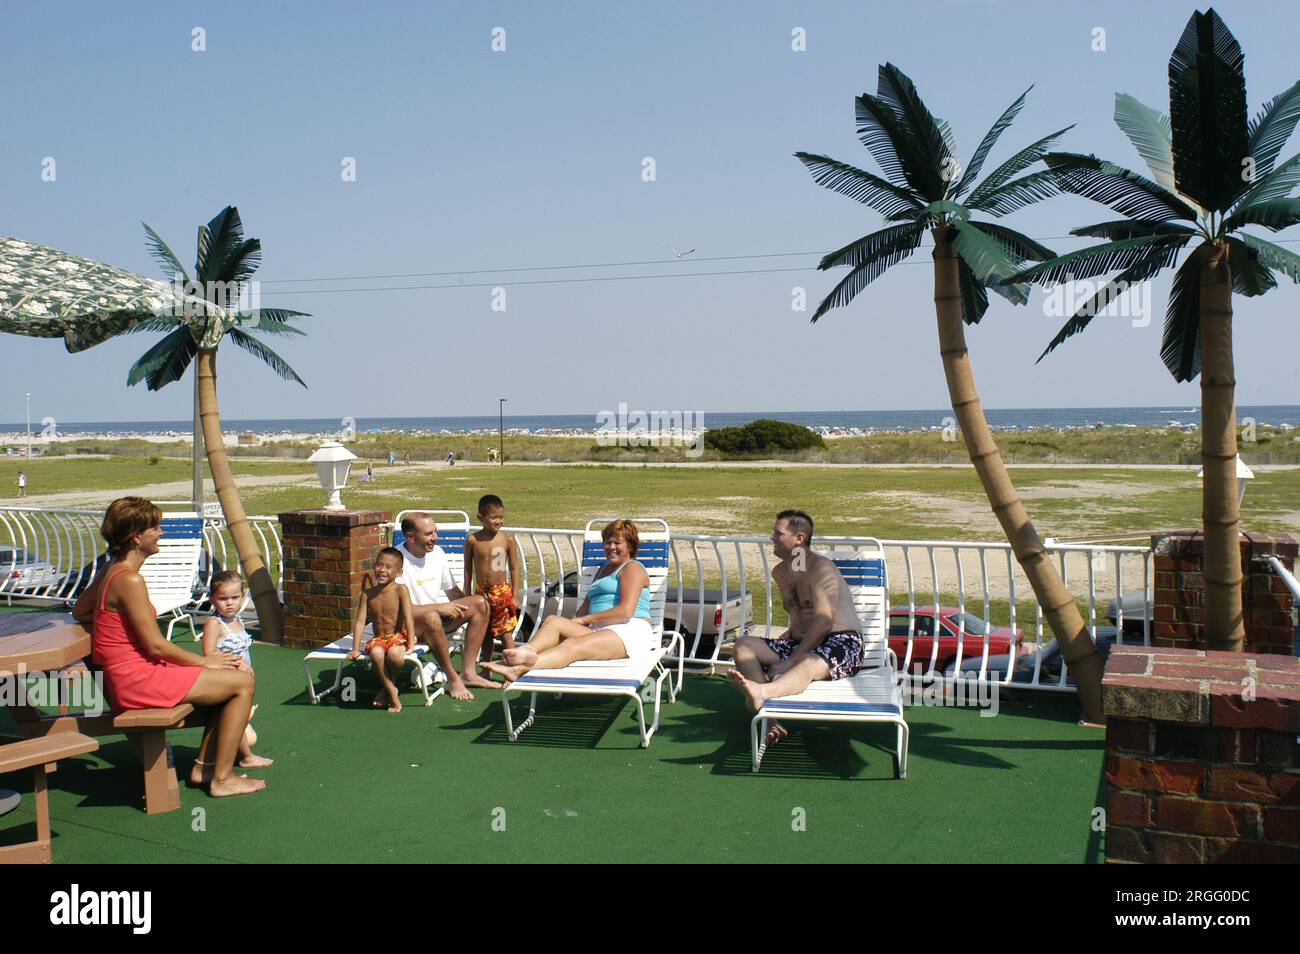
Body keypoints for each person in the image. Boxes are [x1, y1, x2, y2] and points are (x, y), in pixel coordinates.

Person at [71, 497, 264, 798]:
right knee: (242, 683)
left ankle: (205, 766)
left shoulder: (113, 570)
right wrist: (204, 662)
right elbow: (157, 646)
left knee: (233, 676)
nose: (161, 533)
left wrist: (117, 635)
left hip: (130, 673)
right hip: (138, 679)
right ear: (137, 537)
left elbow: (80, 612)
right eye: (155, 528)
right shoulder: (129, 580)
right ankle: (222, 778)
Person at [728, 510, 866, 747]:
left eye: (778, 533)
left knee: (807, 663)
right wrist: (792, 634)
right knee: (743, 646)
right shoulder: (781, 572)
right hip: (801, 641)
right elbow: (799, 613)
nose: (771, 537)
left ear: (799, 539)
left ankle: (762, 693)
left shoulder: (821, 569)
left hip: (842, 640)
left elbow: (823, 620)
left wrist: (793, 658)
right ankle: (771, 722)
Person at [481, 518, 655, 688]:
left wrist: (585, 620)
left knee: (572, 645)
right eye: (608, 542)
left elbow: (625, 611)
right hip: (600, 629)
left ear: (630, 546)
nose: (611, 547)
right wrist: (570, 624)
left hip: (630, 630)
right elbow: (583, 610)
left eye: (618, 543)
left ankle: (520, 669)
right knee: (553, 621)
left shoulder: (633, 568)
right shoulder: (602, 570)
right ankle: (526, 652)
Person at [395, 512, 492, 699]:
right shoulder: (396, 561)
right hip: (408, 626)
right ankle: (453, 679)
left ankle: (468, 673)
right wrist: (438, 608)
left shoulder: (437, 554)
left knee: (480, 604)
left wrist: (470, 608)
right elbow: (397, 612)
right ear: (410, 537)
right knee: (431, 618)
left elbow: (452, 592)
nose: (435, 538)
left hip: (436, 619)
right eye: (429, 534)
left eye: (436, 532)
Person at [201, 571, 272, 768]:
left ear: (243, 596)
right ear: (213, 599)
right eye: (223, 598)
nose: (230, 603)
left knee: (237, 720)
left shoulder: (237, 621)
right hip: (225, 682)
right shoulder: (214, 624)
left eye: (235, 597)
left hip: (241, 681)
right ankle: (245, 756)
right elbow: (208, 655)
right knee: (235, 720)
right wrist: (237, 662)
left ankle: (235, 755)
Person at [346, 548, 416, 713]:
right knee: (377, 653)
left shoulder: (401, 590)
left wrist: (411, 643)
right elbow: (360, 622)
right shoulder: (367, 594)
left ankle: (386, 689)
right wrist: (355, 648)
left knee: (394, 655)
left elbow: (408, 618)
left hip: (398, 636)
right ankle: (392, 690)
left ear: (399, 572)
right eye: (378, 565)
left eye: (388, 567)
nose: (382, 570)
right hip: (379, 638)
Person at [463, 494, 520, 667]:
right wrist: (467, 593)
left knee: (506, 634)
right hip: (482, 594)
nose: (498, 521)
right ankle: (486, 668)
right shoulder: (473, 540)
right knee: (485, 633)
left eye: (501, 517)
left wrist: (515, 595)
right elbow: (467, 569)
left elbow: (514, 568)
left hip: (502, 593)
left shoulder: (507, 539)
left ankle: (514, 668)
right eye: (493, 517)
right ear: (480, 517)